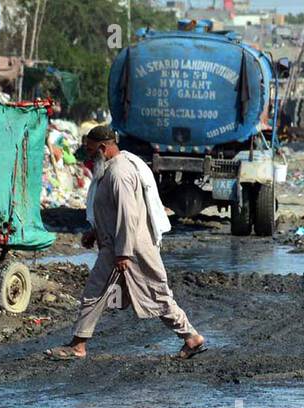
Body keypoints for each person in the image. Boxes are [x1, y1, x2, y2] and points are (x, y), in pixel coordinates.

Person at [48, 125, 206, 360]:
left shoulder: (119, 173)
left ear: (104, 147)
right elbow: (111, 211)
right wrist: (95, 231)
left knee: (152, 293)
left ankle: (190, 337)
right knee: (102, 292)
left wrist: (123, 253)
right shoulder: (109, 169)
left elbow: (127, 215)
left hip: (129, 249)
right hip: (117, 245)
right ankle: (79, 344)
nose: (89, 155)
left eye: (91, 150)